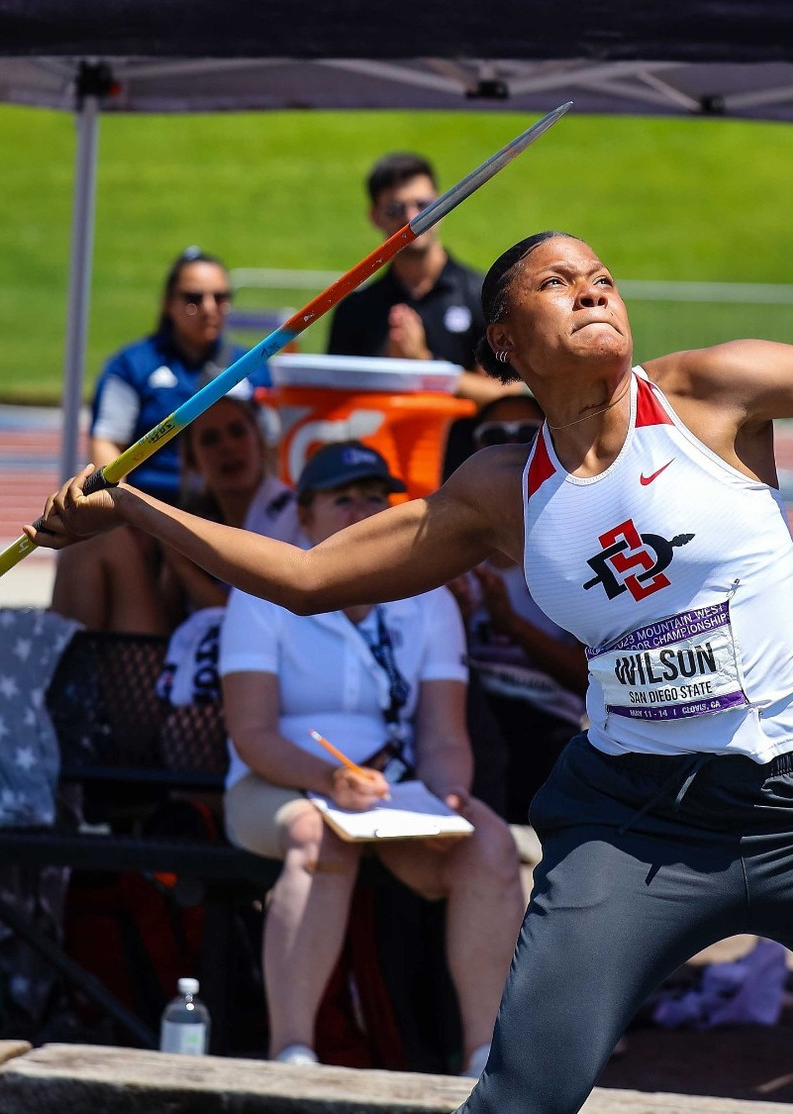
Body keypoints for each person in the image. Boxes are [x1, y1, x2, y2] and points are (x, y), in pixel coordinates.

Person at [29, 231, 793, 1114]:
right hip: (632, 827)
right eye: (558, 284)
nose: (593, 288)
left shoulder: (712, 394)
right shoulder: (501, 490)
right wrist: (133, 505)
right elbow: (304, 576)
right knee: (523, 1093)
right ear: (506, 342)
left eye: (601, 275)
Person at [213, 441, 523, 1075]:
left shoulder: (429, 598)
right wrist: (329, 780)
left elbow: (442, 733)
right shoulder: (260, 594)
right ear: (304, 518)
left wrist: (451, 798)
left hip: (391, 798)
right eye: (342, 498)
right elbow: (252, 733)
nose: (361, 510)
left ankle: (489, 1061)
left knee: (489, 845)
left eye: (375, 498)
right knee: (317, 836)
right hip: (278, 786)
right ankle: (293, 1053)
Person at [326, 152, 522, 471]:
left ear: (443, 205)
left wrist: (423, 367)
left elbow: (508, 395)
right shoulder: (356, 308)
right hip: (379, 478)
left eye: (423, 205)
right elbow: (335, 407)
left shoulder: (482, 294)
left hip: (471, 474)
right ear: (375, 216)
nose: (412, 218)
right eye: (396, 209)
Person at [447, 394, 588, 814]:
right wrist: (453, 622)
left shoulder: (577, 551)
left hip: (545, 727)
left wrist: (511, 626)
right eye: (493, 438)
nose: (510, 450)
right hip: (466, 717)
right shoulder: (445, 552)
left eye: (528, 435)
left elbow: (592, 681)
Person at [52, 393, 297, 634]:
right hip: (188, 653)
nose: (228, 447)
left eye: (237, 432)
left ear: (260, 441)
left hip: (254, 655)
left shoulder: (293, 515)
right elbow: (170, 619)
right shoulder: (197, 516)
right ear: (192, 461)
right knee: (90, 540)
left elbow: (250, 626)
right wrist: (165, 564)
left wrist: (184, 569)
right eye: (210, 439)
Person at [90, 247, 265, 507]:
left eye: (220, 298)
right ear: (168, 303)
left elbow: (272, 450)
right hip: (148, 508)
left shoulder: (252, 366)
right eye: (193, 299)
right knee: (89, 546)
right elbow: (108, 442)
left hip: (233, 515)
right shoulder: (131, 365)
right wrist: (120, 509)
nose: (209, 308)